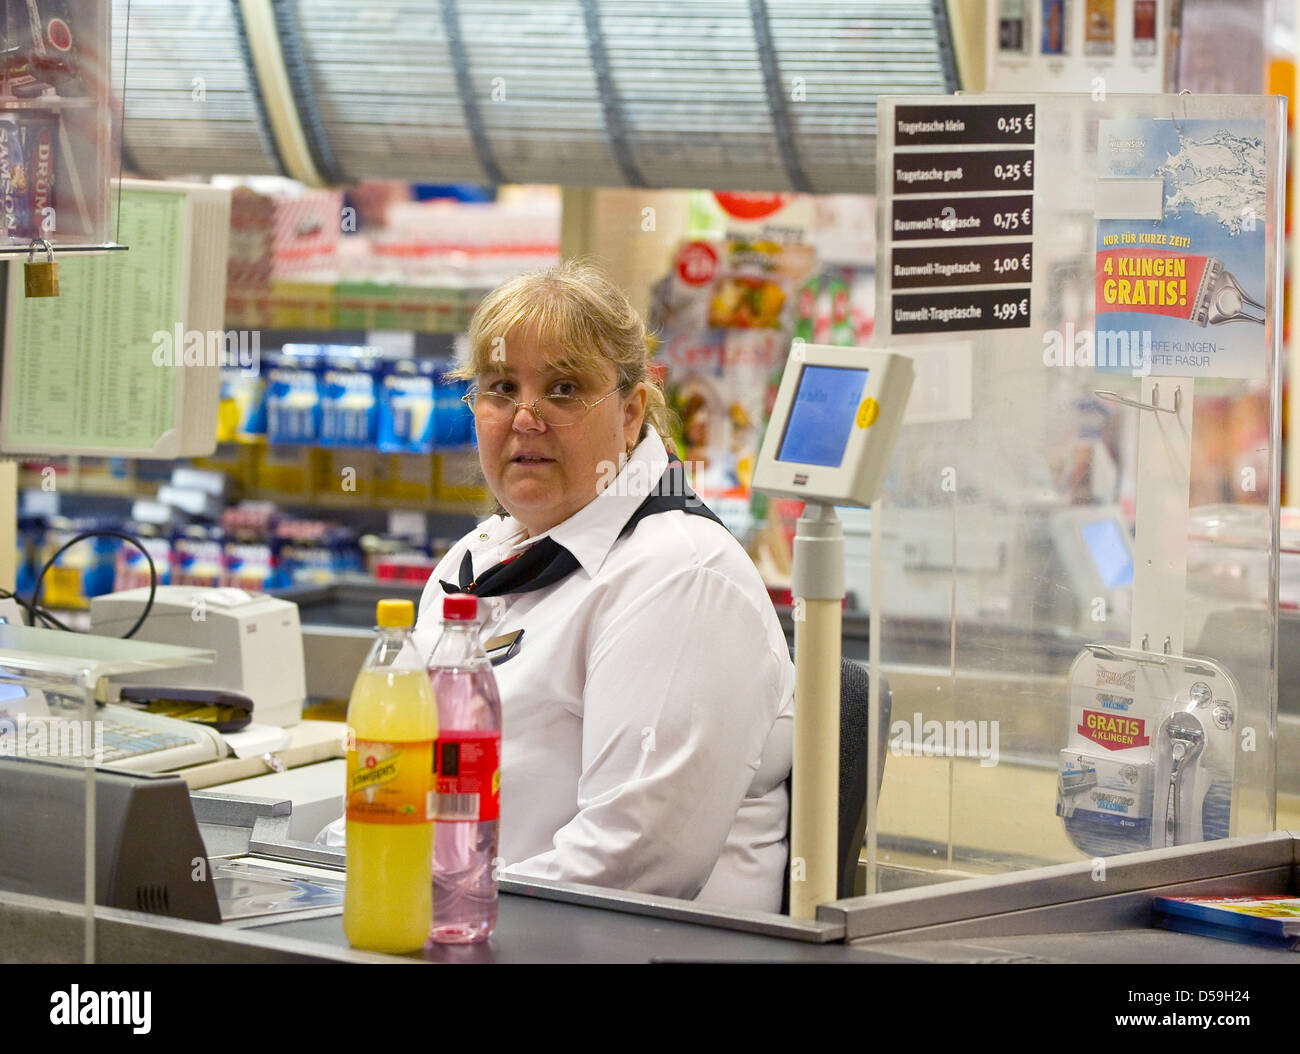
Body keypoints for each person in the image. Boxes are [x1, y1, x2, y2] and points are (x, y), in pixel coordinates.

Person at [411, 260, 795, 912]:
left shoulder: (681, 577)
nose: (526, 417)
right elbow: (402, 783)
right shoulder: (470, 564)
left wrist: (431, 909)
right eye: (501, 387)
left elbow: (630, 863)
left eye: (563, 389)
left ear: (630, 412)